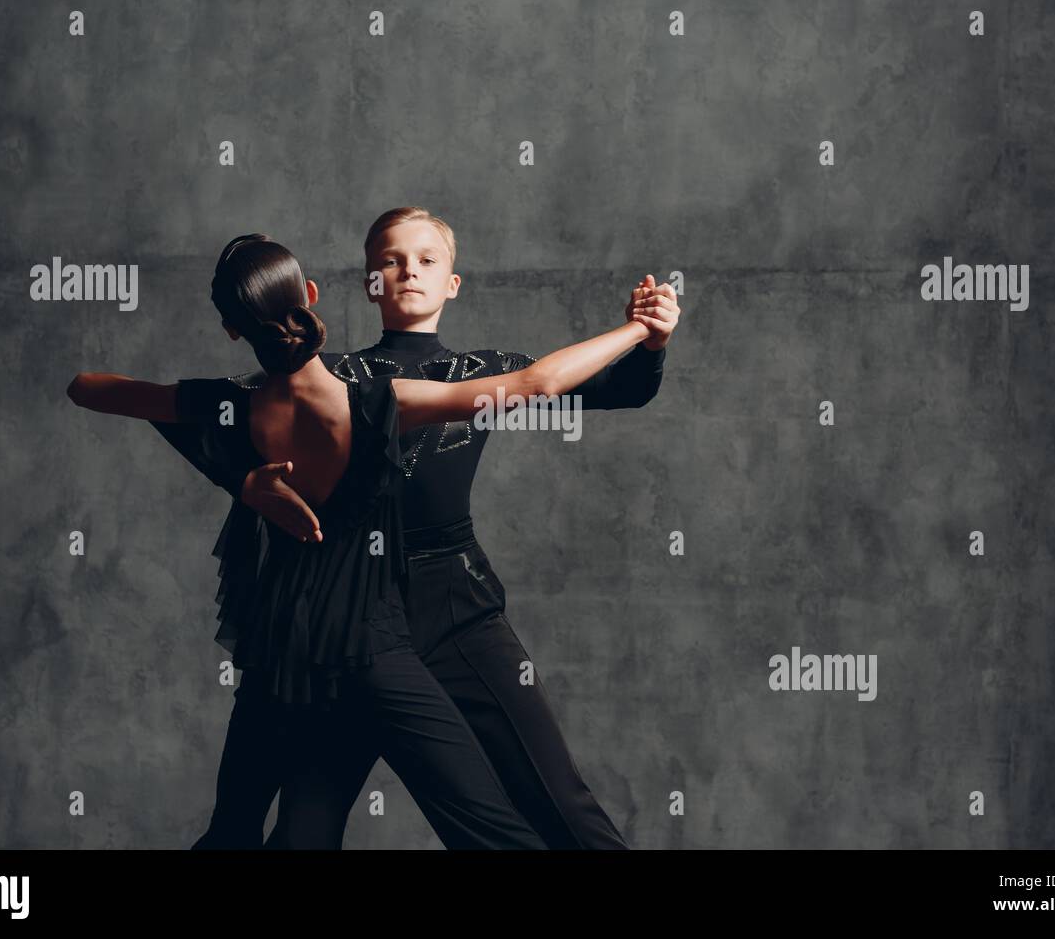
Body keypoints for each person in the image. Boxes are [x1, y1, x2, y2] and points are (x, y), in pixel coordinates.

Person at [67, 233, 661, 849]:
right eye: (393, 259)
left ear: (231, 328)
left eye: (428, 260)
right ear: (319, 296)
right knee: (459, 828)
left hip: (318, 635)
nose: (409, 271)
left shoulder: (237, 403)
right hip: (363, 641)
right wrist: (637, 329)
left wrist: (243, 479)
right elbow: (537, 385)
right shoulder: (370, 399)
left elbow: (98, 389)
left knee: (255, 829)